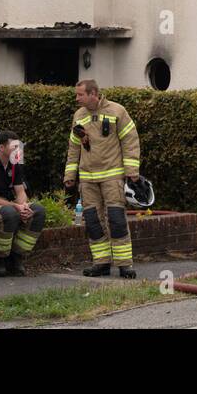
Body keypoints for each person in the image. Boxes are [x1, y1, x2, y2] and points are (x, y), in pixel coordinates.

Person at [63, 79, 142, 278]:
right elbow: (74, 148)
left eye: (80, 94)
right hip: (87, 179)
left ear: (93, 93)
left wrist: (131, 170)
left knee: (116, 220)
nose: (77, 98)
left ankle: (125, 265)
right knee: (93, 222)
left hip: (112, 176)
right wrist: (70, 175)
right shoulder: (78, 116)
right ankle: (101, 263)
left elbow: (130, 140)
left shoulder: (117, 111)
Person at [0, 131, 47, 277]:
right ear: (2, 147)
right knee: (9, 213)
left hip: (9, 203)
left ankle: (17, 256)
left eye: (19, 147)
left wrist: (24, 206)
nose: (18, 150)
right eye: (14, 147)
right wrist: (15, 206)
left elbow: (20, 191)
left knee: (38, 211)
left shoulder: (15, 163)